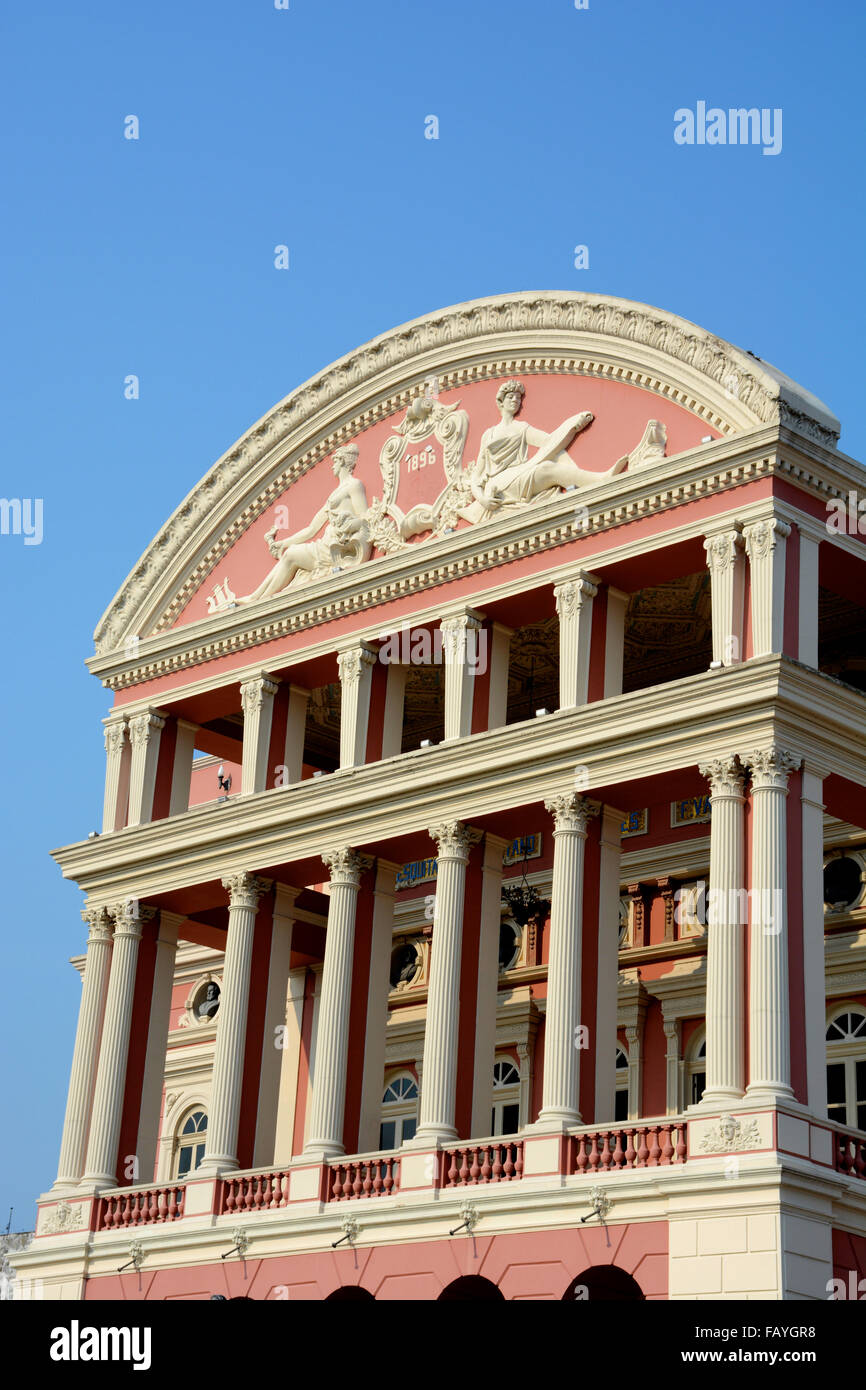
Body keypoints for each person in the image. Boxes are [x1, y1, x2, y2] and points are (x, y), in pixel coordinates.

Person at [460, 380, 627, 523]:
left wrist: (573, 427)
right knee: (547, 467)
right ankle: (599, 479)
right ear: (501, 402)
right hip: (497, 486)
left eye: (518, 398)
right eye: (510, 397)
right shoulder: (489, 434)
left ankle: (597, 479)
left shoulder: (522, 428)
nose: (515, 401)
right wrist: (482, 499)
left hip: (518, 476)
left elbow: (550, 442)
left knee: (547, 466)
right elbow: (476, 476)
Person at [240, 444, 371, 602]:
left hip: (337, 548)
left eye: (335, 462)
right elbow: (311, 529)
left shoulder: (354, 486)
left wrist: (347, 526)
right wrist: (283, 543)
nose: (332, 467)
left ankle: (260, 600)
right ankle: (255, 597)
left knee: (291, 555)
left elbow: (365, 519)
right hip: (324, 545)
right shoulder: (334, 494)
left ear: (342, 461)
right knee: (289, 553)